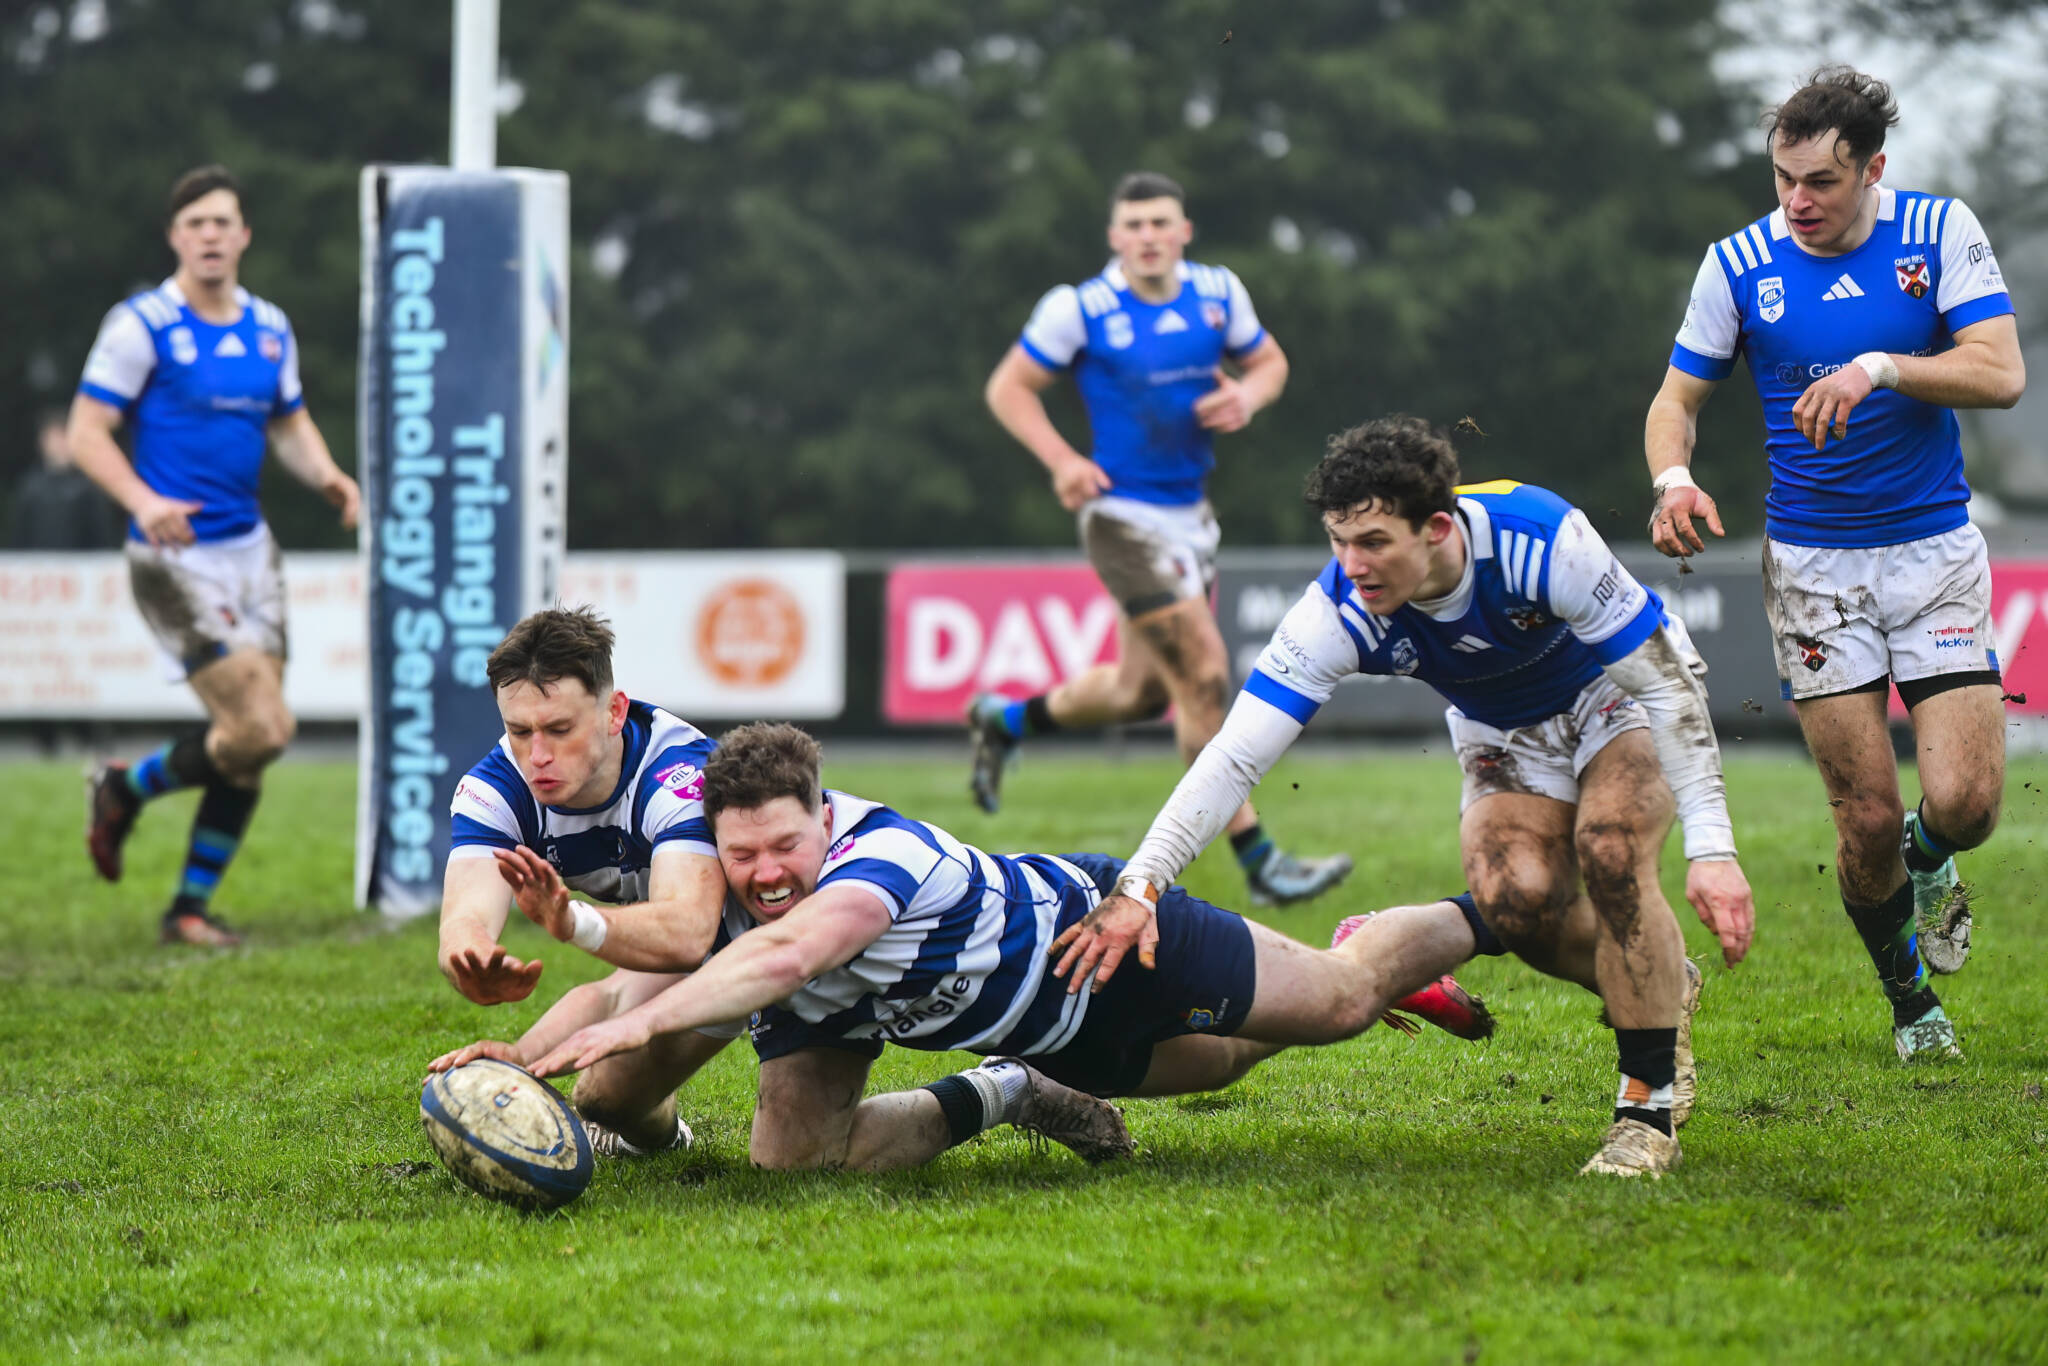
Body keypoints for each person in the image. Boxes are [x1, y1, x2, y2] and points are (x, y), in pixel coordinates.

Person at [1051, 417, 1758, 1178]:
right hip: (1502, 729)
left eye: (1374, 543)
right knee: (1512, 898)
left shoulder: (1542, 539)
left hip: (1616, 698)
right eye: (1337, 541)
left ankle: (1644, 1117)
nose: (1352, 566)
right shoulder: (1337, 610)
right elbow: (1234, 755)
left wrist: (1713, 850)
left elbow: (1664, 686)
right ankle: (1659, 977)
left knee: (1611, 850)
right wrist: (1141, 884)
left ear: (1437, 528)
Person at [434, 722, 1492, 1174]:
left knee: (1335, 1007)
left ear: (823, 814)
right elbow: (637, 982)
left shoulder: (880, 859)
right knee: (788, 1162)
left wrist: (632, 1022)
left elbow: (781, 957)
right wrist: (520, 1055)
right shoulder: (728, 870)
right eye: (741, 853)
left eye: (783, 846)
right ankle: (1005, 1092)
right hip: (1027, 1034)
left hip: (1104, 944)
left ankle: (1481, 917)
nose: (762, 872)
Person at [1645, 68, 2024, 1061]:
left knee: (1967, 803)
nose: (1794, 202)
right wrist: (1671, 478)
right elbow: (1673, 400)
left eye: (1817, 181)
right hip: (1813, 565)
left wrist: (1880, 366)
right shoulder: (1737, 263)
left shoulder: (1936, 234)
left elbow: (1999, 371)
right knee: (1861, 817)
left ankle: (1929, 856)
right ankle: (1910, 1006)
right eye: (1780, 179)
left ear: (1872, 171)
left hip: (1931, 550)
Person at [969, 170, 1350, 909]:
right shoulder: (1080, 308)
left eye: (1160, 223)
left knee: (1137, 691)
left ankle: (1005, 719)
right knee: (1205, 673)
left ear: (1184, 232)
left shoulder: (1217, 293)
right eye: (1133, 225)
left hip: (1191, 518)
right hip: (1119, 519)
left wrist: (1248, 393)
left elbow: (1270, 363)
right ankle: (1261, 859)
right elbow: (1008, 388)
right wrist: (1063, 462)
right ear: (1115, 238)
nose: (1147, 236)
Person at [73, 164, 361, 947]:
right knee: (265, 727)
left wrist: (329, 474)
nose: (209, 235)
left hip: (250, 552)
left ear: (243, 236)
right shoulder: (142, 324)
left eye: (222, 222)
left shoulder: (269, 325)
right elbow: (85, 432)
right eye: (194, 223)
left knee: (250, 746)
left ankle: (188, 909)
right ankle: (125, 789)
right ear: (176, 237)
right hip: (172, 557)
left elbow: (288, 423)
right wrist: (143, 501)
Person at [432, 607, 740, 1157]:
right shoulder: (495, 790)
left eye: (559, 729)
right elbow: (465, 919)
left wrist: (572, 921)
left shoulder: (681, 776)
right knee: (603, 1100)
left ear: (613, 712)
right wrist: (470, 963)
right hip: (718, 954)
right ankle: (669, 1141)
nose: (539, 755)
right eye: (519, 731)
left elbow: (690, 932)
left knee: (800, 1156)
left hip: (791, 934)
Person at [9, 409, 120, 550]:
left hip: (83, 569)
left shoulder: (90, 487)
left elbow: (102, 539)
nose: (60, 444)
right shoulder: (29, 487)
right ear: (43, 442)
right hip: (36, 568)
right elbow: (19, 537)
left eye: (64, 436)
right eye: (55, 437)